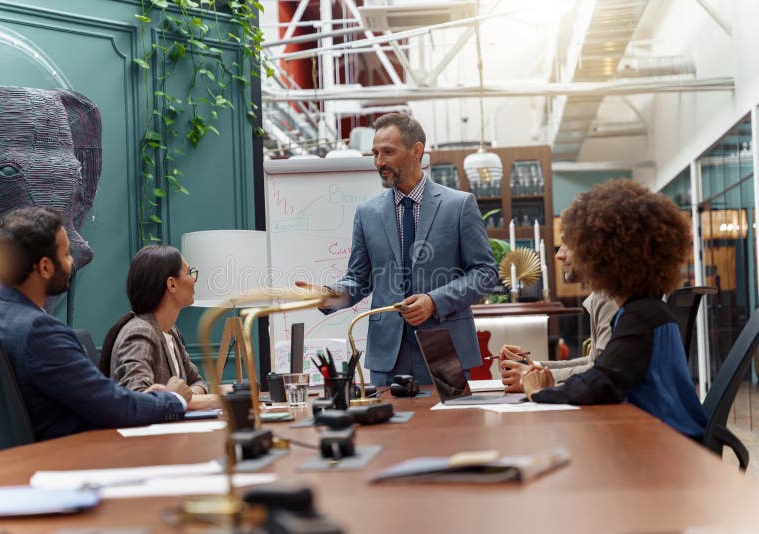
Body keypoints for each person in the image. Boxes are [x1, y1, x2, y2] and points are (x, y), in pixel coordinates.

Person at [298, 113, 498, 386]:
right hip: (387, 355)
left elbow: (485, 273)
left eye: (388, 152)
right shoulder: (367, 213)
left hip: (446, 349)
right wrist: (327, 296)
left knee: (449, 416)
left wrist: (434, 301)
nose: (379, 162)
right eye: (375, 153)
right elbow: (359, 279)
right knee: (387, 416)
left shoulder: (459, 205)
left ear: (417, 150)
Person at [0, 207, 193, 441]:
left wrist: (147, 399)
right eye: (66, 254)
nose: (72, 262)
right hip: (70, 455)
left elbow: (105, 399)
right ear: (45, 267)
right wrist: (173, 399)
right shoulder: (39, 332)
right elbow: (115, 408)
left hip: (25, 457)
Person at [520, 179, 707, 438]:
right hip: (662, 437)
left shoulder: (641, 316)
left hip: (670, 445)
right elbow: (602, 373)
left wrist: (539, 393)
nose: (560, 254)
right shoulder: (643, 310)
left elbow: (601, 384)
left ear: (603, 253)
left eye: (573, 244)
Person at [99, 246, 216, 408]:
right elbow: (138, 401)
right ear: (171, 284)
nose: (193, 280)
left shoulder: (171, 330)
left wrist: (188, 396)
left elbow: (198, 382)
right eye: (189, 273)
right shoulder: (140, 333)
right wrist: (209, 400)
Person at [498, 236, 619, 392]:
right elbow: (593, 362)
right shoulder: (604, 293)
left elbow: (600, 371)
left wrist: (532, 376)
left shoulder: (608, 295)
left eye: (567, 243)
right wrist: (534, 367)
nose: (559, 255)